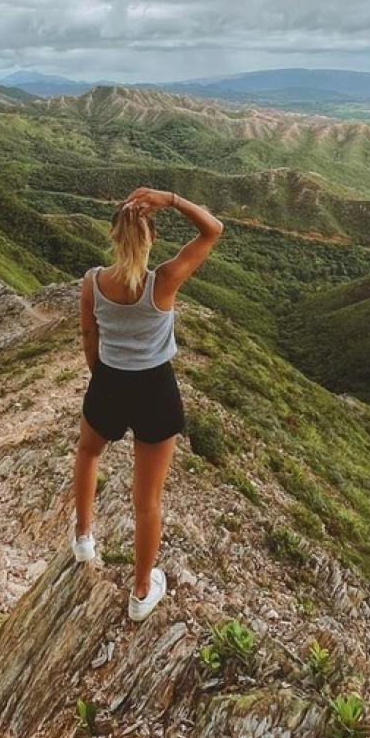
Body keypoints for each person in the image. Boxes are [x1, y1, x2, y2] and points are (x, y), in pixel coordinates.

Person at [72, 186, 224, 621]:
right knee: (148, 500)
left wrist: (99, 377)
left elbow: (88, 335)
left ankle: (83, 536)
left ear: (113, 236)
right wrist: (173, 200)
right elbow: (213, 230)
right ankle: (141, 592)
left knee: (88, 451)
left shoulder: (92, 282)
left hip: (110, 381)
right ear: (151, 240)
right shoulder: (164, 281)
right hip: (156, 389)